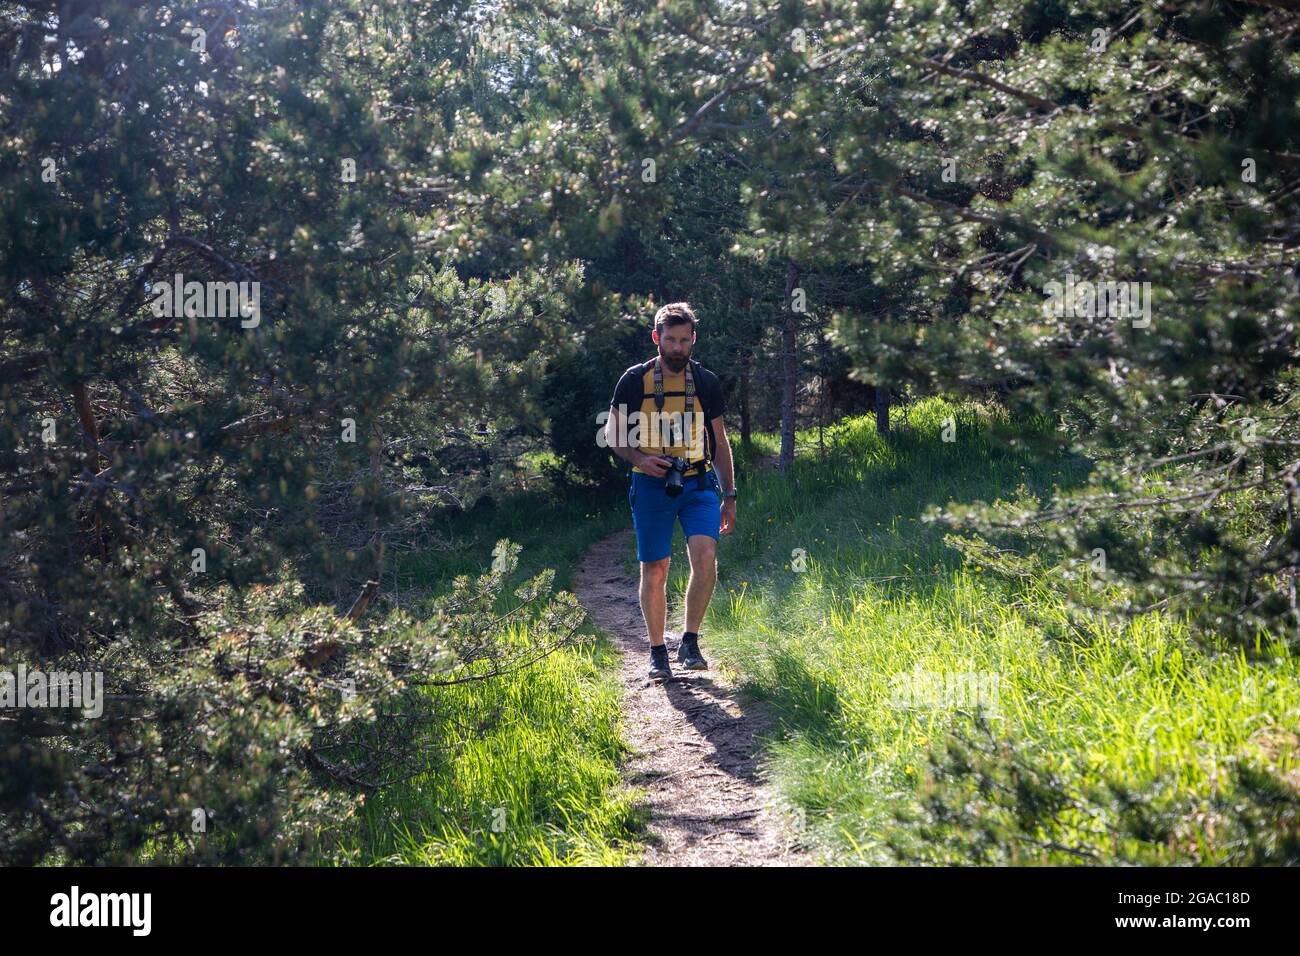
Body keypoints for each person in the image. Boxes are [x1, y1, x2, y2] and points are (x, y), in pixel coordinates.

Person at [604, 302, 737, 679]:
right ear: (656, 338)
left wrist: (730, 495)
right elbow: (612, 434)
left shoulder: (706, 381)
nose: (678, 348)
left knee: (705, 555)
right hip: (651, 485)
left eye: (684, 340)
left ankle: (690, 641)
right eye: (670, 340)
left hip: (698, 481)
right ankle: (657, 650)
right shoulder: (634, 379)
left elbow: (721, 440)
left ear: (693, 339)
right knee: (656, 567)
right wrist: (641, 459)